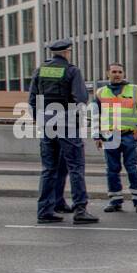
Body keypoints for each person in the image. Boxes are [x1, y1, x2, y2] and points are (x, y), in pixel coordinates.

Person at [28, 38, 98, 225]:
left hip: (47, 124)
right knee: (75, 167)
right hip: (67, 124)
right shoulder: (71, 71)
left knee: (50, 168)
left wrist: (40, 119)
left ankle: (47, 209)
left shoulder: (40, 70)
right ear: (67, 52)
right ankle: (80, 209)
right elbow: (81, 97)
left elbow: (32, 99)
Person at [94, 63, 137, 213]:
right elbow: (95, 115)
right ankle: (115, 200)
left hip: (129, 136)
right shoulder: (101, 92)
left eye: (120, 72)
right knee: (112, 169)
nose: (117, 74)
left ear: (124, 73)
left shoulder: (135, 90)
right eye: (114, 72)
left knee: (132, 168)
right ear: (108, 74)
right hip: (109, 136)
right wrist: (96, 136)